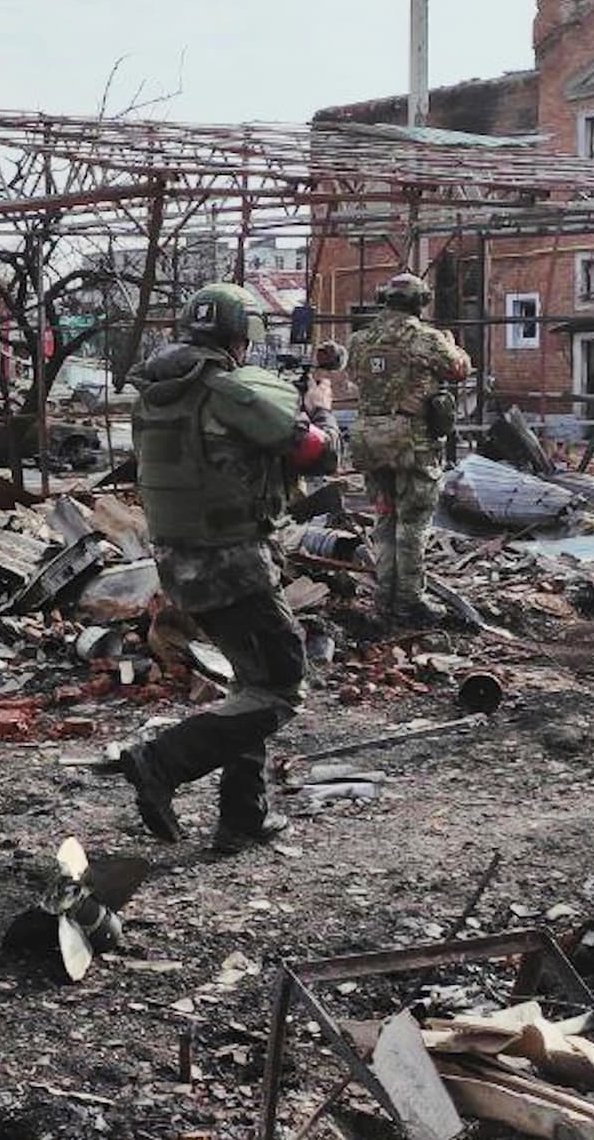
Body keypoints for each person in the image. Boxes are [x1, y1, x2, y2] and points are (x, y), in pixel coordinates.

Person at [112, 283, 341, 852]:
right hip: (234, 563)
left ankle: (243, 815)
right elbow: (319, 453)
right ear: (241, 339)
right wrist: (322, 411)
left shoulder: (156, 394)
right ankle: (161, 762)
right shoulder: (231, 392)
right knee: (283, 687)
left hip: (179, 561)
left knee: (251, 682)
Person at [345, 272, 471, 626]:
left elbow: (356, 376)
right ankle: (409, 602)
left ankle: (384, 598)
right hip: (411, 442)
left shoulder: (359, 339)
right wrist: (452, 343)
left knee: (385, 516)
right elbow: (459, 369)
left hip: (370, 439)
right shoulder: (426, 338)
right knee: (413, 521)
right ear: (421, 303)